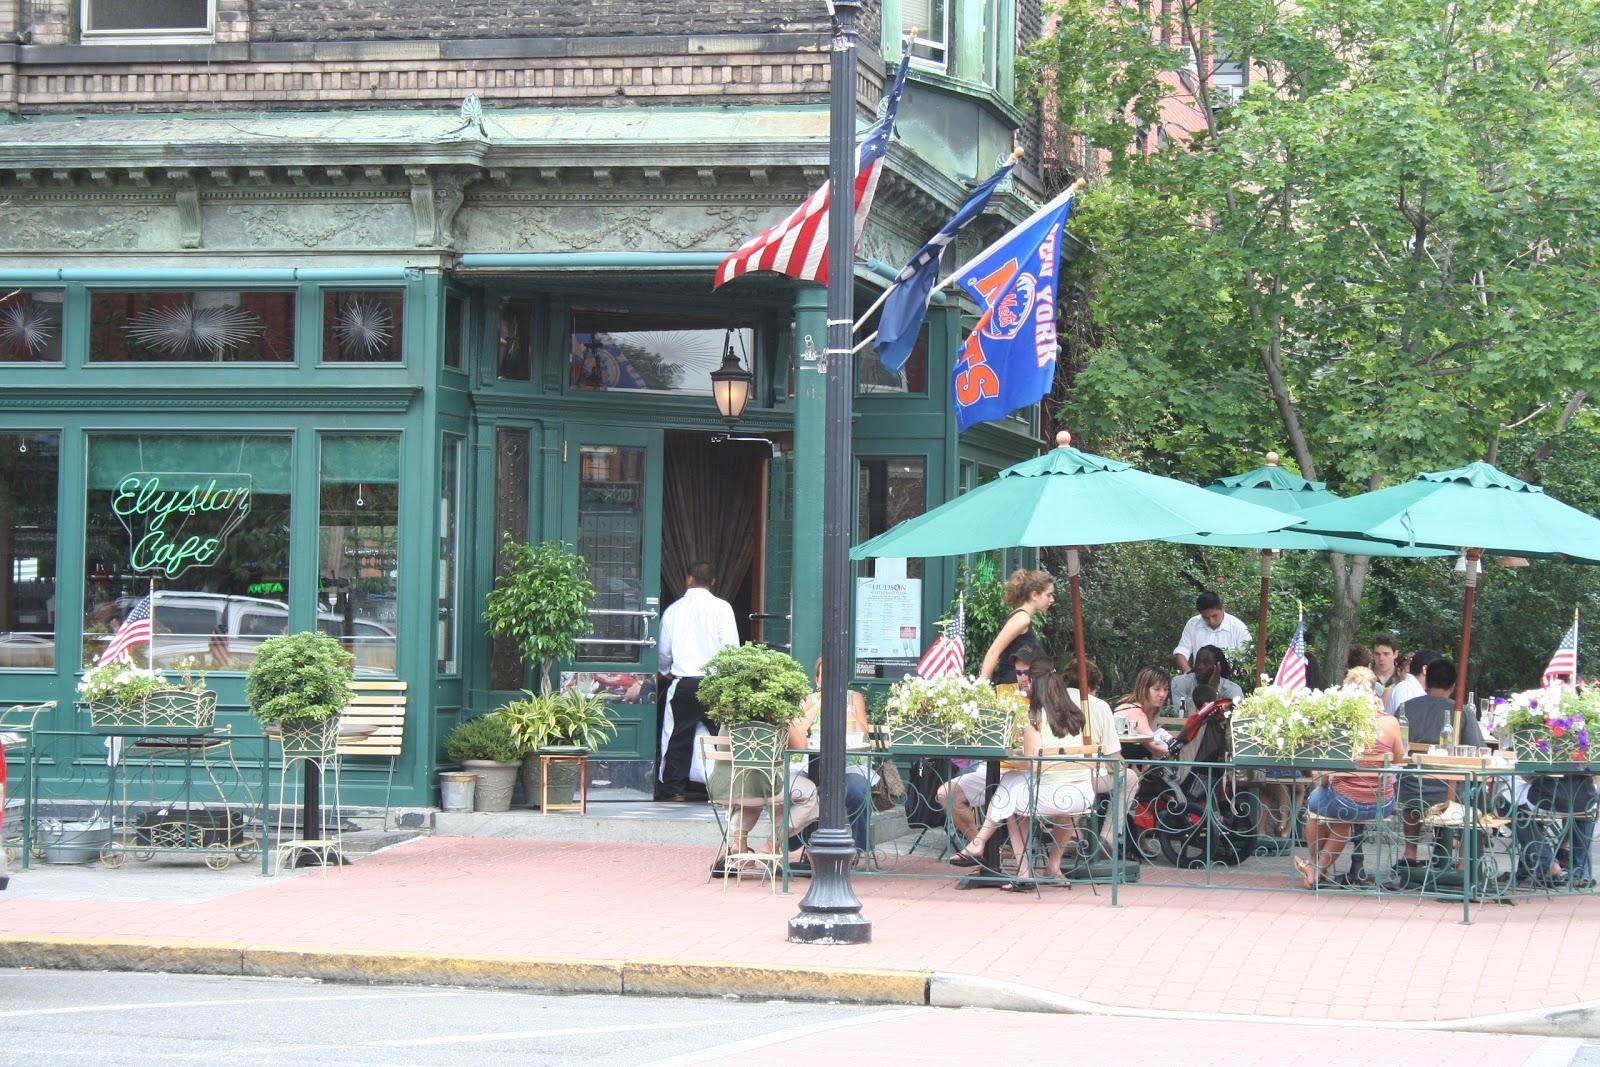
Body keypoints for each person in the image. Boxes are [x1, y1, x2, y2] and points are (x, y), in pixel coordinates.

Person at [948, 658, 1121, 888]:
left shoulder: (1036, 717)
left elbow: (1030, 763)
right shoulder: (1077, 715)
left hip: (1053, 796)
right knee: (1013, 784)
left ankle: (1017, 868)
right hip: (1083, 795)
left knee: (1011, 794)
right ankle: (988, 849)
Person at [938, 638, 1045, 843]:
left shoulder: (1048, 701)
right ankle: (982, 849)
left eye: (1027, 672)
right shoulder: (1005, 695)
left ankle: (990, 853)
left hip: (1029, 773)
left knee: (1013, 799)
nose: (1022, 678)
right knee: (946, 794)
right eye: (1019, 672)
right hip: (995, 768)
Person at [1295, 694, 1403, 889]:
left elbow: (1326, 775)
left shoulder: (1343, 724)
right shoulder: (1391, 722)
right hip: (1382, 804)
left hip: (1347, 803)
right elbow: (1399, 757)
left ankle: (1315, 869)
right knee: (1341, 818)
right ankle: (1318, 870)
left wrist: (1323, 783)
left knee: (1316, 804)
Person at [656, 561, 739, 802]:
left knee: (677, 736)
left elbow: (663, 650)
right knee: (722, 737)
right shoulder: (722, 608)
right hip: (715, 683)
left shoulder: (674, 610)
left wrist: (663, 670)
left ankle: (674, 789)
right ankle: (727, 788)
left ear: (688, 579)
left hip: (684, 682)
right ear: (713, 582)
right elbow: (731, 648)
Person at [1392, 659, 1484, 870]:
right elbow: (1476, 752)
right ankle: (1463, 862)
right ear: (1453, 686)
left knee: (1412, 790)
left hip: (1412, 789)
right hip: (1450, 791)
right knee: (1476, 794)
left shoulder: (1406, 708)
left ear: (1426, 682)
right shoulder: (1462, 713)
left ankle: (1410, 852)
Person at [792, 658, 874, 857]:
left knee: (856, 790)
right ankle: (789, 842)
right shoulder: (810, 700)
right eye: (824, 678)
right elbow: (798, 729)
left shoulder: (854, 698)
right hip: (812, 764)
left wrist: (846, 709)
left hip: (850, 764)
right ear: (817, 681)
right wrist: (819, 705)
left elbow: (864, 734)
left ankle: (860, 848)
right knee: (793, 787)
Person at [1065, 657, 1138, 854]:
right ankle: (1109, 835)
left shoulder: (1050, 703)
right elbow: (1114, 758)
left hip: (1050, 776)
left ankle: (1073, 832)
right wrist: (1123, 766)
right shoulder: (1099, 706)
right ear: (1093, 685)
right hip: (1088, 779)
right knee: (1130, 778)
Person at [977, 569, 1055, 686]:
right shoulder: (1022, 618)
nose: (1052, 599)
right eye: (1048, 595)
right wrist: (982, 689)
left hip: (1015, 687)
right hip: (1011, 688)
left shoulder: (1021, 616)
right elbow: (993, 652)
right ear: (1034, 595)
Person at [1172, 591, 1251, 674]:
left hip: (1229, 680)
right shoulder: (1193, 624)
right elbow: (1182, 650)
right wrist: (1188, 673)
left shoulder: (1238, 627)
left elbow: (1247, 657)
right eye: (1205, 617)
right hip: (1199, 679)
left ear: (1223, 608)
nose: (1211, 621)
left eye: (1214, 616)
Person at [1112, 666, 1174, 759]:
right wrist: (1176, 751)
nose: (1162, 694)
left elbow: (1154, 737)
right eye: (1157, 689)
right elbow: (1154, 747)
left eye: (1165, 689)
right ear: (1144, 688)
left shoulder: (1153, 708)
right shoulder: (1135, 710)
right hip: (1114, 760)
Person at [1169, 645, 1244, 715]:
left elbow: (1235, 719)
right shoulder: (1180, 683)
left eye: (1206, 663)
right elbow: (1180, 714)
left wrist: (1213, 690)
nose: (1200, 666)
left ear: (1218, 666)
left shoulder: (1232, 690)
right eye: (1198, 661)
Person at [1383, 648, 1440, 716]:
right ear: (1425, 669)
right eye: (1438, 670)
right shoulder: (1405, 689)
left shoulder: (1414, 689)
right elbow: (1405, 722)